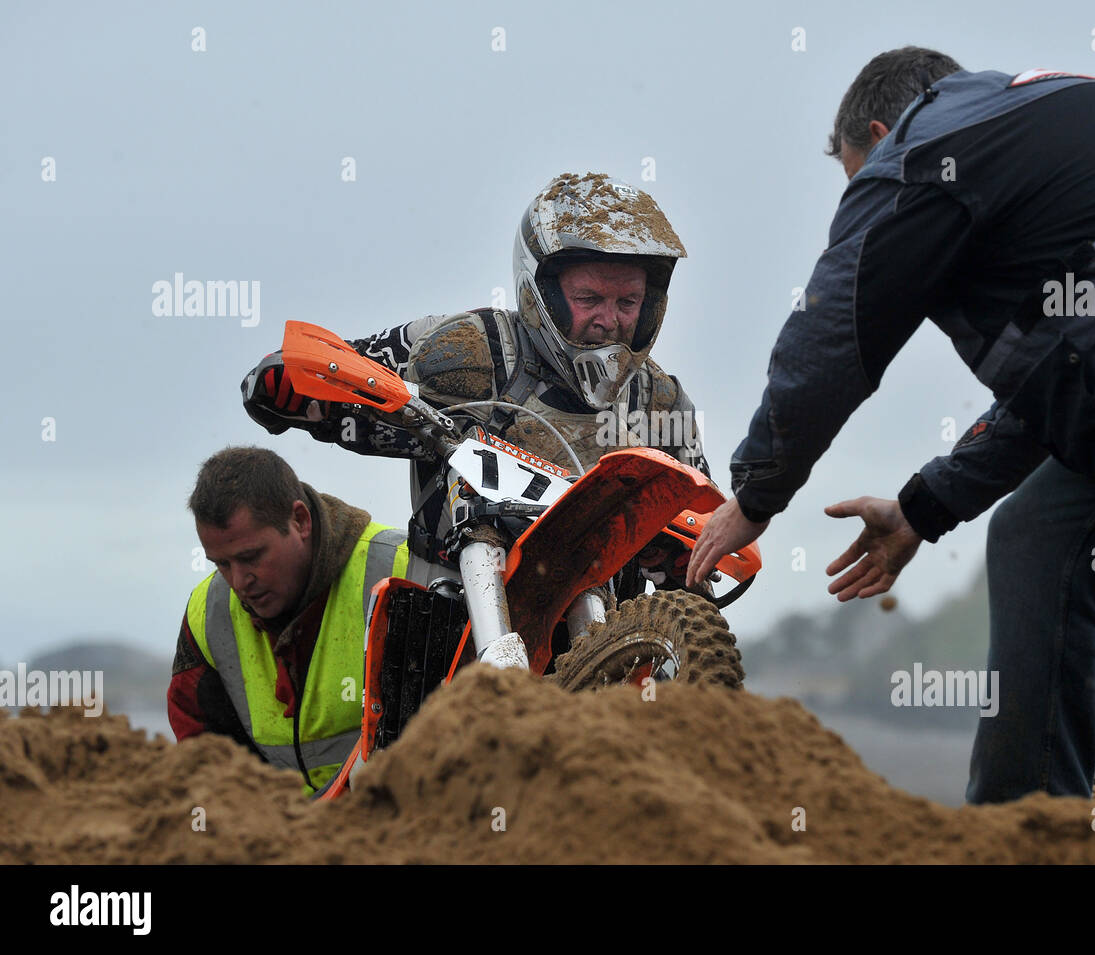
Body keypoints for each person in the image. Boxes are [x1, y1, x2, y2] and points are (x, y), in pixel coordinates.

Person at [686, 47, 1095, 819]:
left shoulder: (920, 149)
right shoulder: (1034, 127)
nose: (862, 203)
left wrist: (757, 493)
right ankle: (1030, 829)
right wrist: (921, 509)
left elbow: (833, 334)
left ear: (880, 131)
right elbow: (1060, 384)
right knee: (1036, 541)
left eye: (856, 179)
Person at [244, 171, 708, 589]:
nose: (610, 320)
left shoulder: (659, 402)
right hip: (453, 607)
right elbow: (341, 361)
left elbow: (708, 535)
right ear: (539, 289)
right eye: (589, 298)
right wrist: (289, 380)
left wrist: (680, 551)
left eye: (628, 302)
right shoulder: (469, 349)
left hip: (610, 633)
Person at [169, 446, 410, 795]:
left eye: (250, 557)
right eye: (221, 564)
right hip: (282, 839)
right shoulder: (207, 612)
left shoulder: (405, 570)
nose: (239, 582)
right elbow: (200, 762)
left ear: (300, 521)